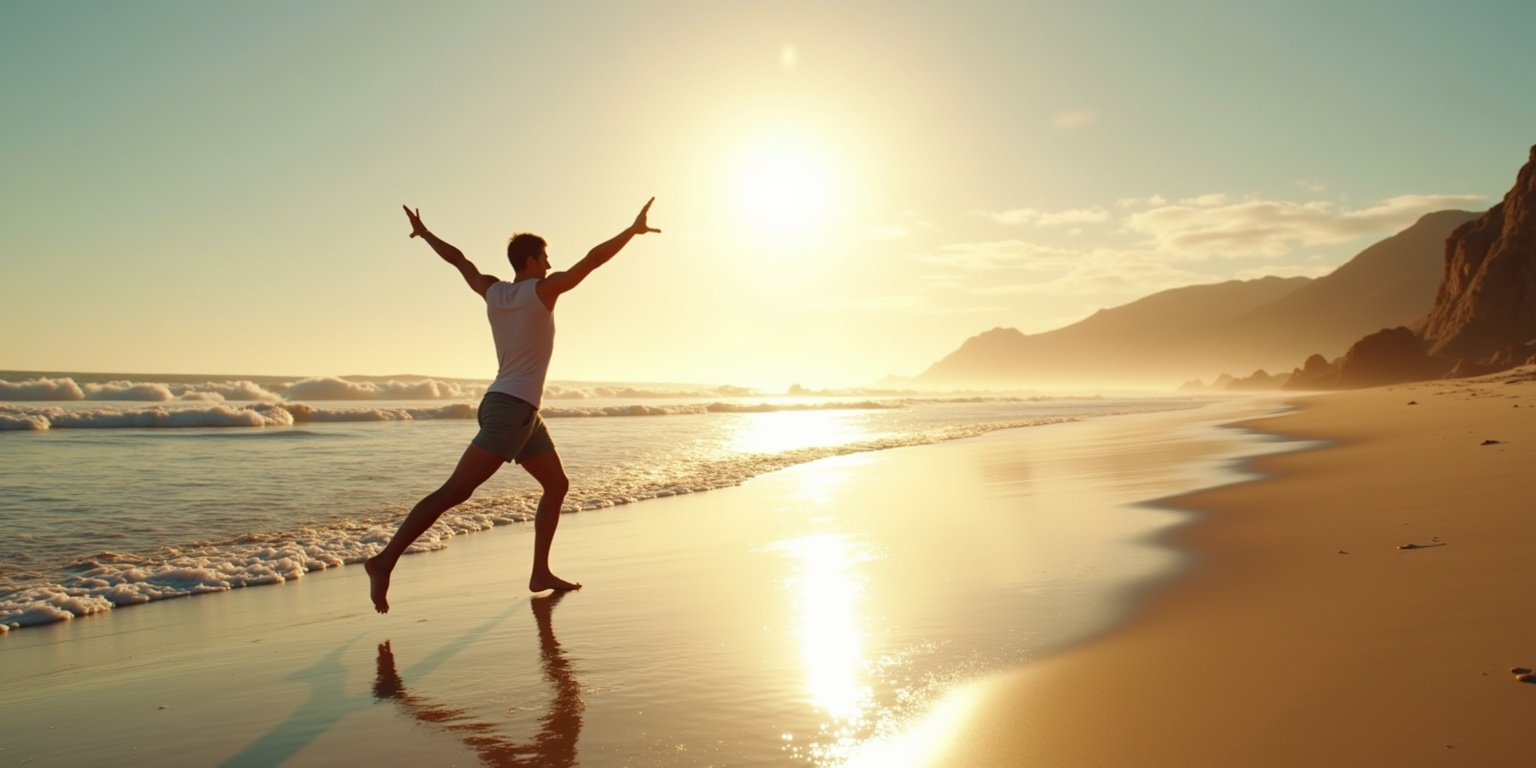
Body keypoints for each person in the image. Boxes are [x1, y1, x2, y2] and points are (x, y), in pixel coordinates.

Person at [366, 199, 660, 613]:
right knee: (455, 491)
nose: (549, 263)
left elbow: (459, 261)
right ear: (531, 260)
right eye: (545, 257)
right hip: (513, 410)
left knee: (557, 485)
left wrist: (425, 233)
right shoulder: (542, 291)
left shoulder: (492, 290)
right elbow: (592, 260)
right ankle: (384, 561)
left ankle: (540, 571)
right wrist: (631, 231)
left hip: (510, 407)